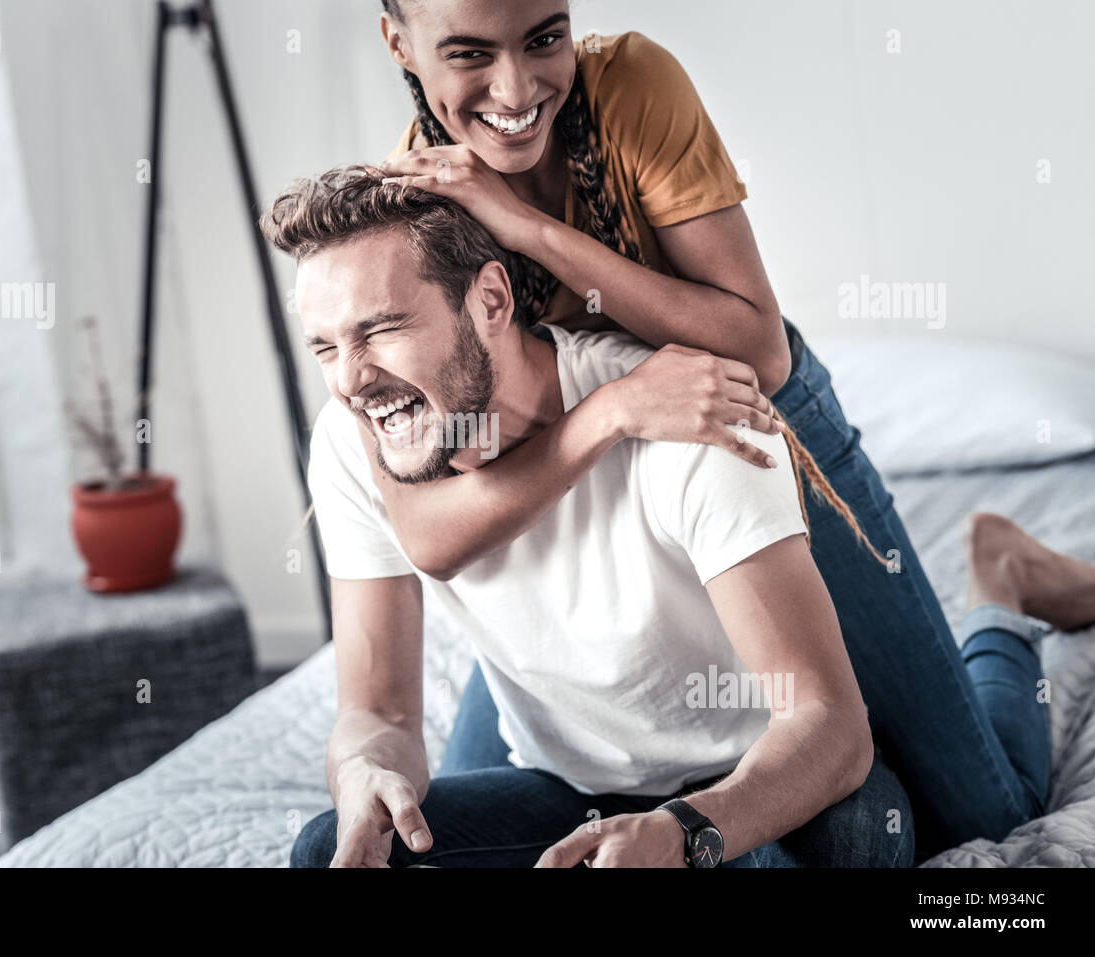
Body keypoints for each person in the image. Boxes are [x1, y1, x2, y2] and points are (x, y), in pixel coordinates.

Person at [362, 0, 1054, 859]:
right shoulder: (412, 208)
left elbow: (756, 349)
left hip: (749, 429)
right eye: (469, 53)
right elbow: (424, 525)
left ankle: (1003, 585)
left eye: (545, 38)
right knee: (445, 843)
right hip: (596, 494)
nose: (517, 86)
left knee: (984, 814)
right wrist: (609, 414)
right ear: (398, 41)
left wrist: (527, 228)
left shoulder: (630, 88)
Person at [265, 165, 917, 867]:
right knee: (328, 847)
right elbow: (380, 712)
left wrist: (681, 832)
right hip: (571, 790)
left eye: (381, 330)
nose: (350, 382)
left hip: (745, 779)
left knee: (857, 839)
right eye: (327, 348)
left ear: (489, 300)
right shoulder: (355, 441)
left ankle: (1002, 608)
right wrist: (364, 767)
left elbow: (830, 726)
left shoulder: (692, 416)